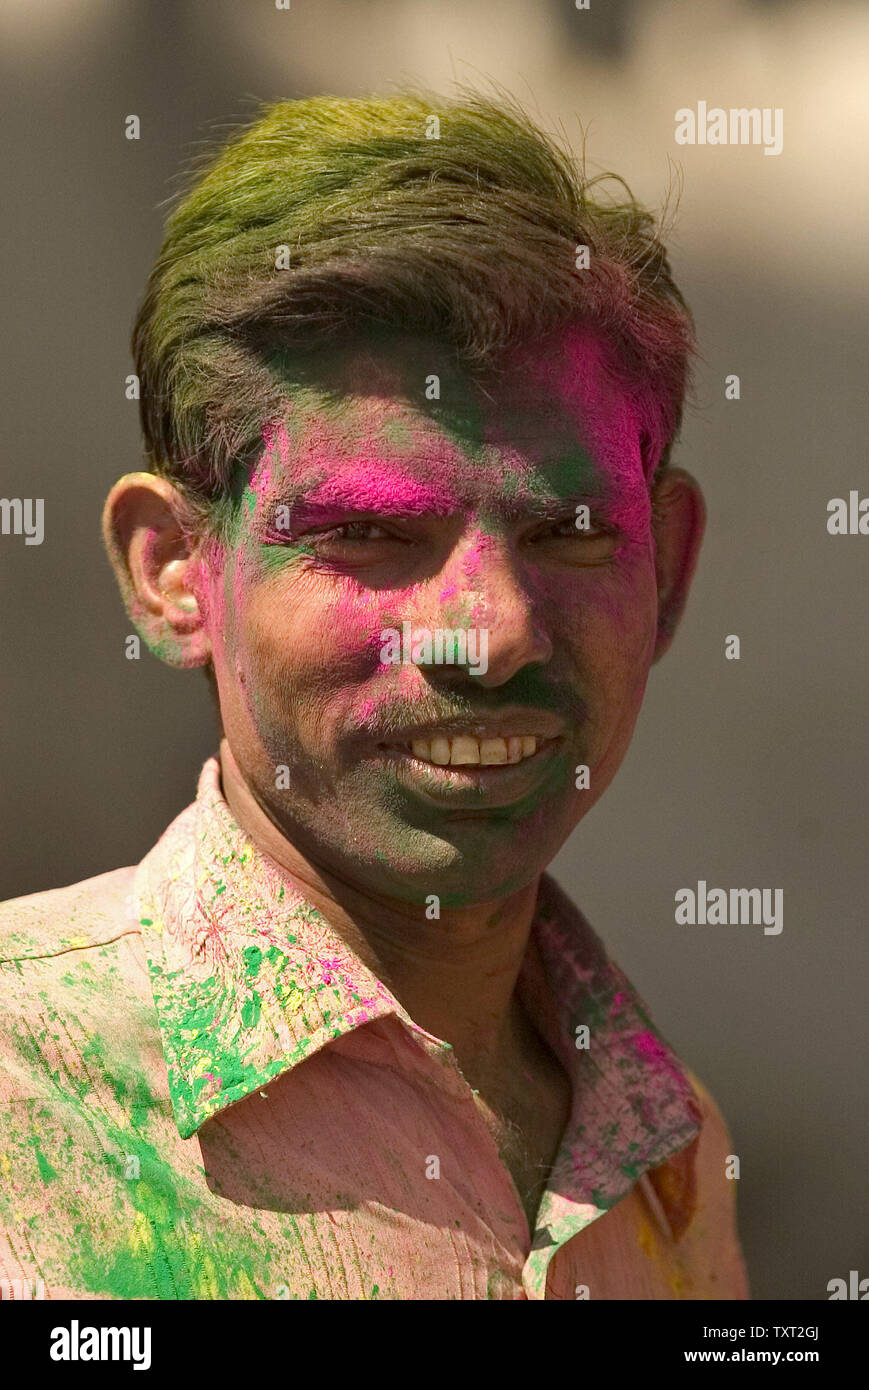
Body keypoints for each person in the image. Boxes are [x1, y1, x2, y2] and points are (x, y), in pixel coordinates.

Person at [0, 90, 749, 1299]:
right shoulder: (26, 1110)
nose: (492, 634)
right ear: (175, 573)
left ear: (666, 569)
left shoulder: (665, 1145)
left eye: (567, 533)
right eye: (366, 534)